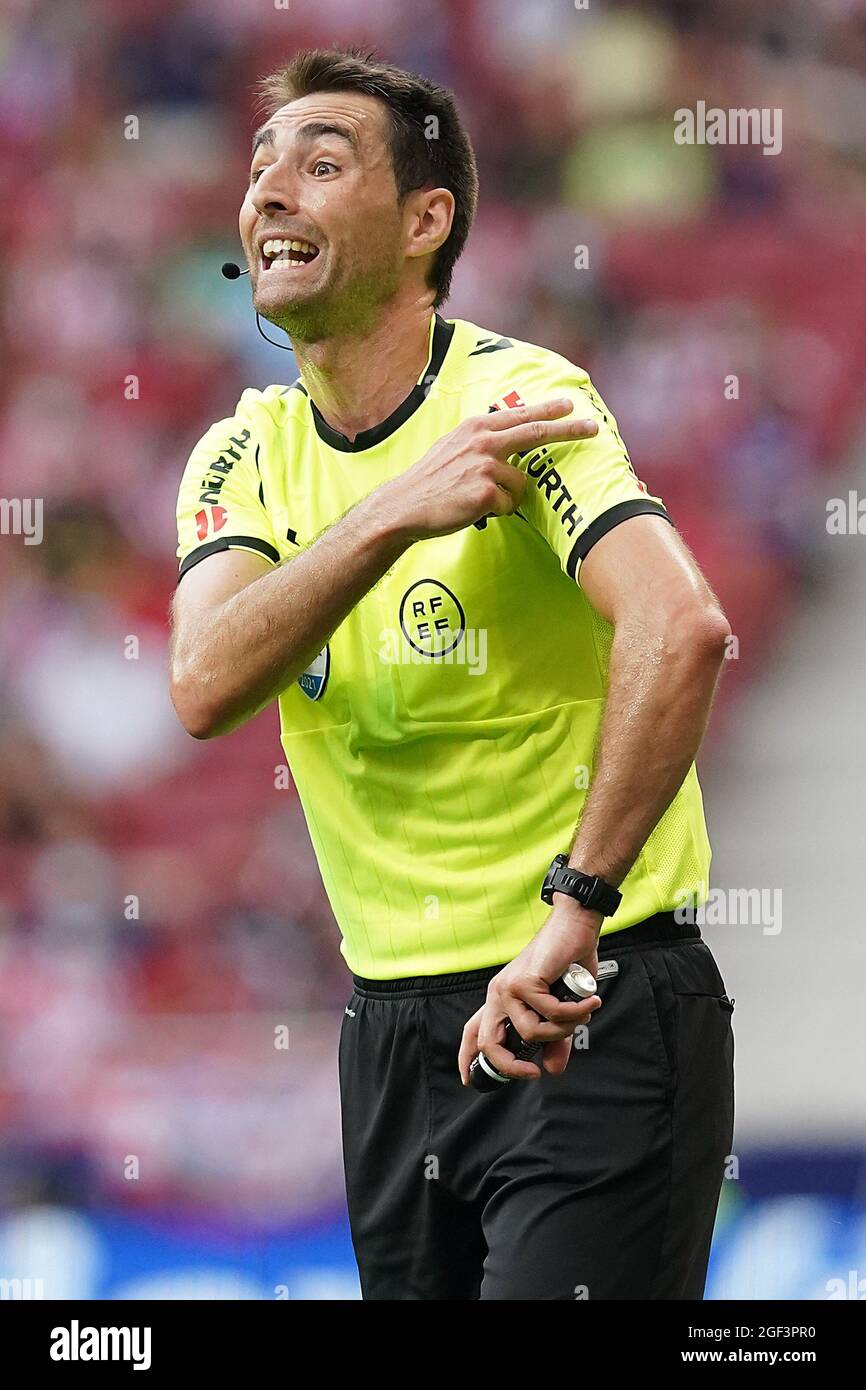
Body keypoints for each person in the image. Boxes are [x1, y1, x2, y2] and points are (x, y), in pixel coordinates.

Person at [169, 47, 734, 1300]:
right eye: (261, 168)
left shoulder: (520, 400)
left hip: (585, 993)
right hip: (391, 1034)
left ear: (426, 222)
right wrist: (389, 516)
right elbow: (204, 682)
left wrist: (573, 911)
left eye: (320, 164)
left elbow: (680, 625)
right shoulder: (242, 454)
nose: (269, 193)